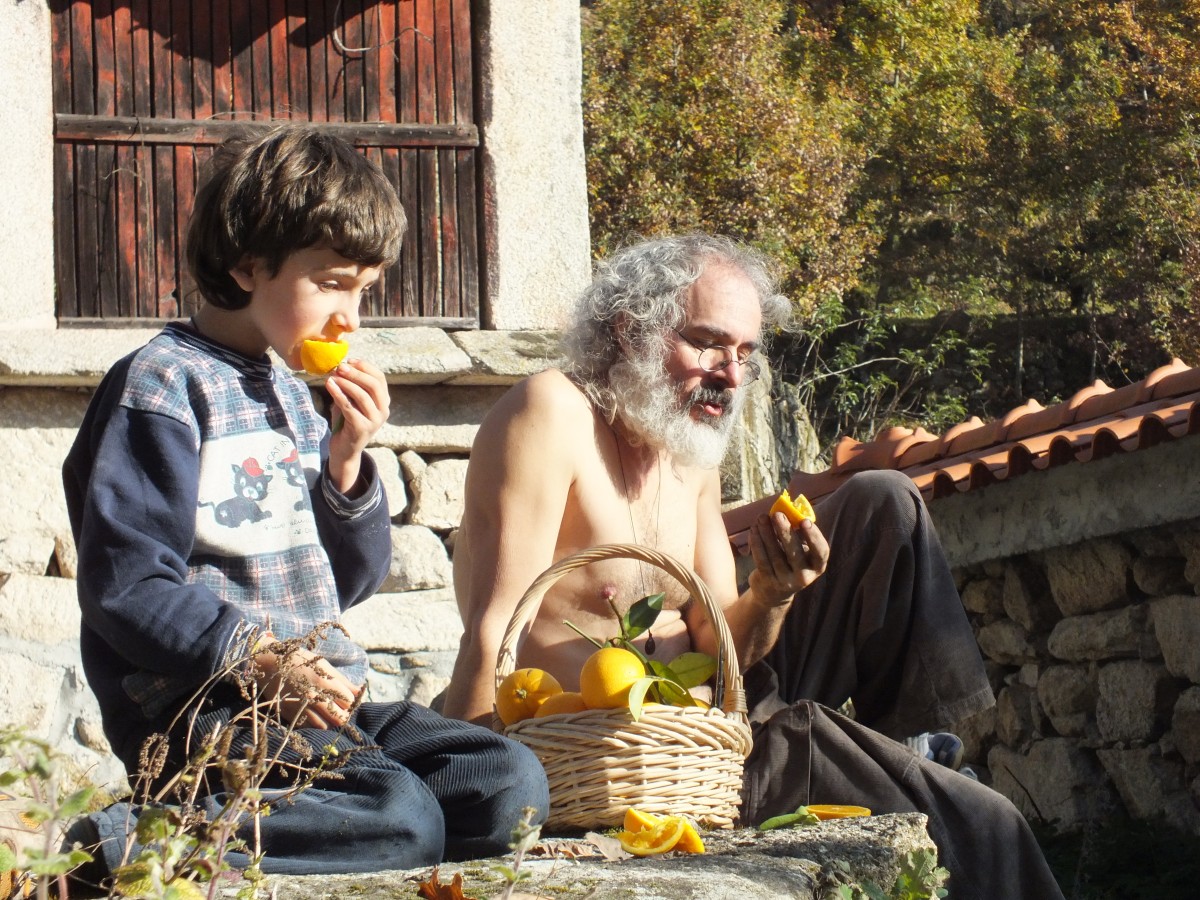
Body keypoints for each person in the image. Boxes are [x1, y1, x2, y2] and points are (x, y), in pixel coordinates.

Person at [444, 233, 1066, 900]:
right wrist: (473, 812)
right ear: (629, 332)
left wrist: (770, 594)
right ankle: (925, 790)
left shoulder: (688, 448)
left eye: (745, 353)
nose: (731, 374)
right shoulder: (550, 413)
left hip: (721, 720)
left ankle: (921, 751)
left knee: (884, 501)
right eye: (708, 344)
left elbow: (722, 648)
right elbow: (494, 629)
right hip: (614, 760)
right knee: (986, 825)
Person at [60, 124, 548, 884]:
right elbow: (126, 586)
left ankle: (338, 820)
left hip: (323, 706)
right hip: (211, 711)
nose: (351, 318)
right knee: (401, 818)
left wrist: (346, 462)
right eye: (332, 282)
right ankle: (119, 848)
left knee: (506, 785)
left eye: (365, 289)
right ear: (247, 265)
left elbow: (344, 584)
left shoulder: (291, 390)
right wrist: (258, 659)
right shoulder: (163, 386)